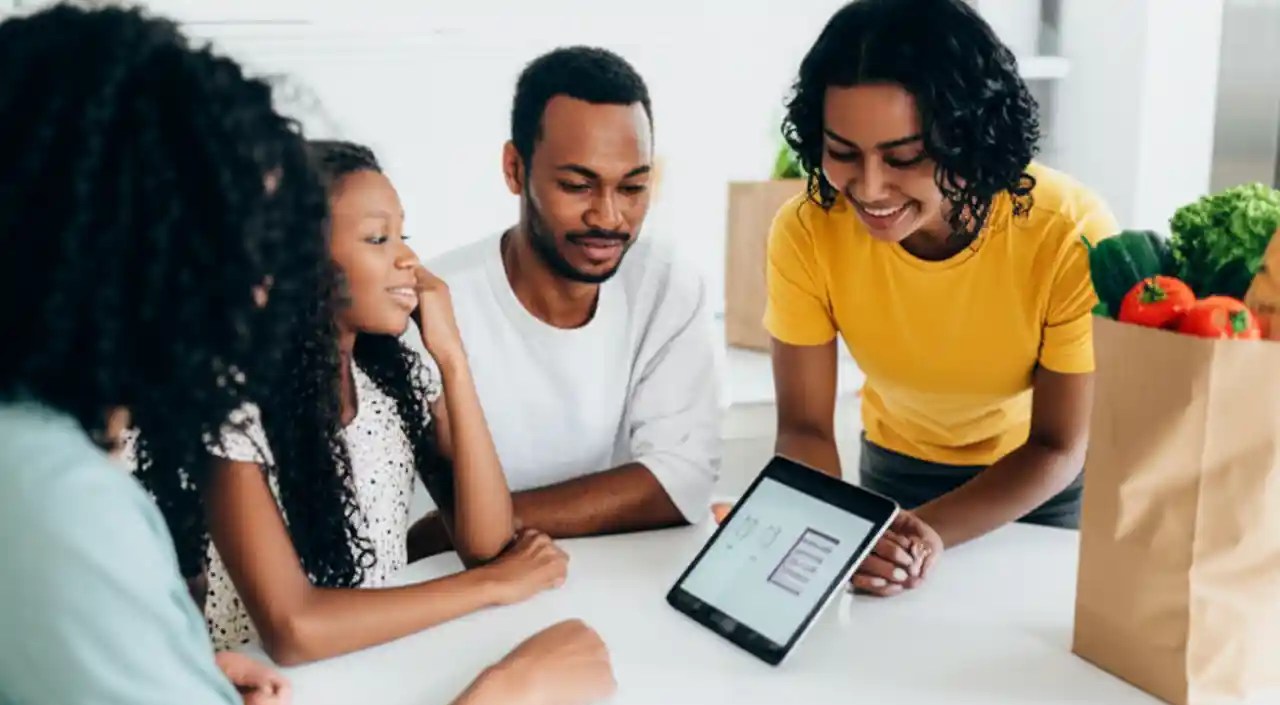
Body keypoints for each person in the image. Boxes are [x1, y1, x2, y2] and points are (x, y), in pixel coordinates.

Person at [0, 6, 612, 705]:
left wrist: (182, 676)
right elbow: (290, 623)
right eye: (240, 237)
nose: (263, 279)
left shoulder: (40, 463)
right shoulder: (66, 511)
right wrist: (511, 693)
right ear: (128, 248)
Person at [767, 0, 1118, 596]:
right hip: (893, 470)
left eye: (905, 158)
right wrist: (835, 530)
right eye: (843, 153)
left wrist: (923, 533)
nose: (870, 188)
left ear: (970, 138)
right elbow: (803, 427)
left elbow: (1058, 444)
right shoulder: (806, 229)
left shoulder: (1068, 231)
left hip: (1034, 486)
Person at [196, 140, 567, 665]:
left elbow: (485, 543)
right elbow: (292, 629)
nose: (409, 257)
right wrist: (491, 586)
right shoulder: (230, 406)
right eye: (378, 238)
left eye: (404, 234)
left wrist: (454, 362)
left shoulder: (395, 378)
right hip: (263, 696)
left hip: (374, 671)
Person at [407, 46, 721, 559]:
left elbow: (682, 480)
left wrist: (472, 524)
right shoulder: (438, 301)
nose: (609, 216)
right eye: (577, 185)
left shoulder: (669, 287)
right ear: (515, 168)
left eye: (633, 187)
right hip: (463, 587)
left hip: (622, 580)